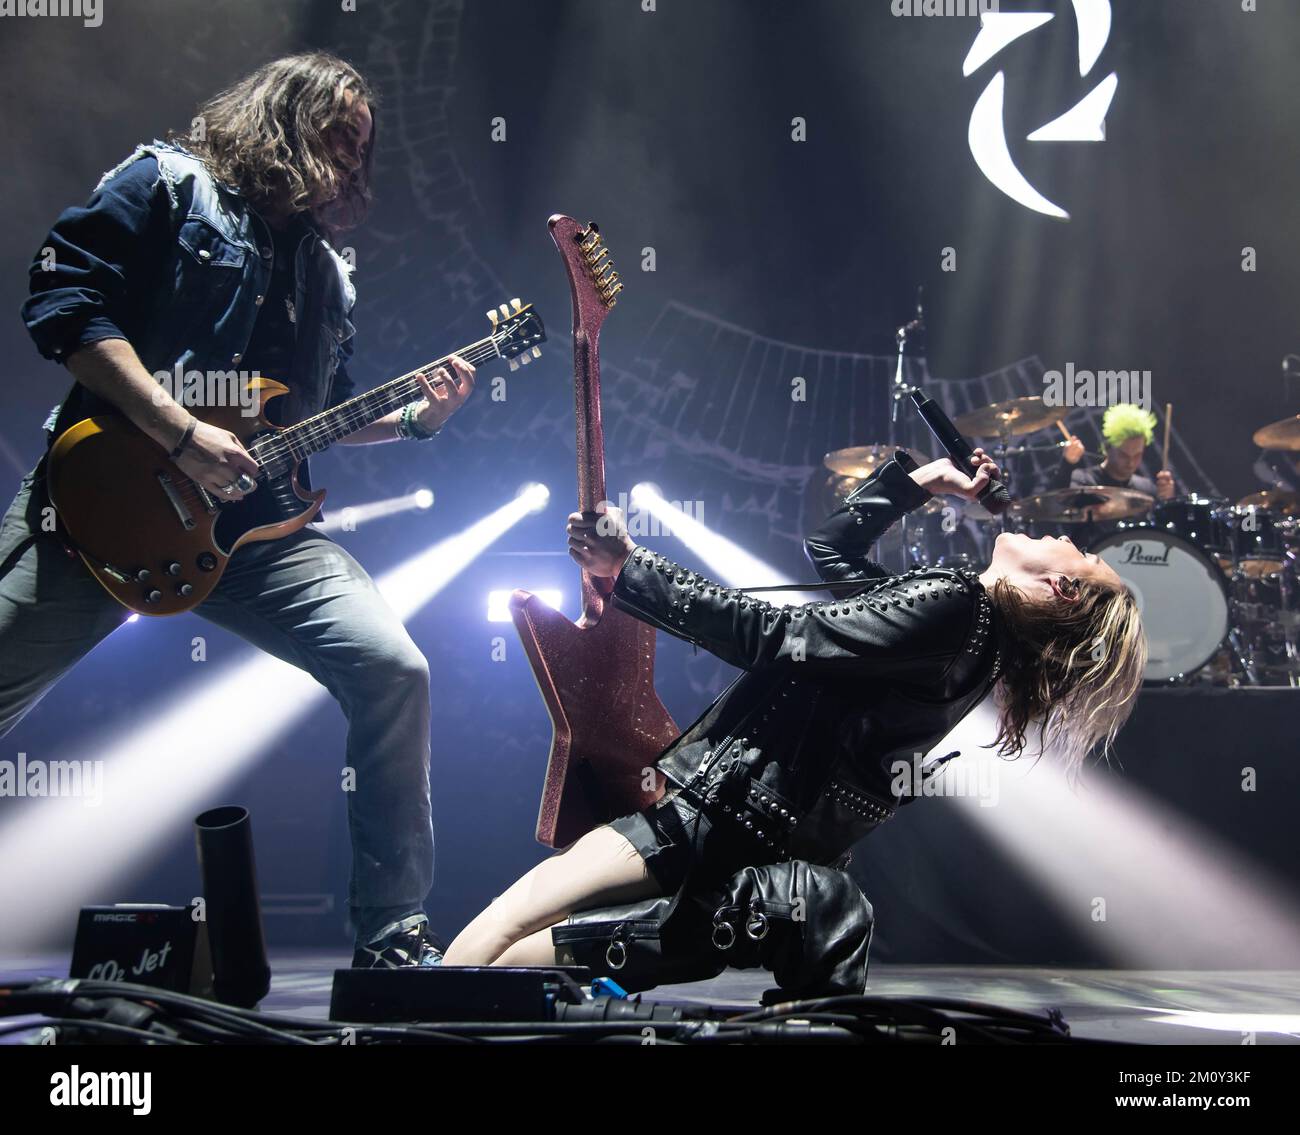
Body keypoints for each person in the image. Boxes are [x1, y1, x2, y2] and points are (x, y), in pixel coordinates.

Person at [1, 52, 475, 968]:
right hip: (108, 500)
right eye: (337, 133)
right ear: (282, 116)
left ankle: (390, 933)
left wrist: (418, 419)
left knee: (394, 669)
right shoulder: (168, 186)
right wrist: (179, 432)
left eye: (360, 145)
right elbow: (61, 301)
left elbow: (315, 415)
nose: (348, 157)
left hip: (254, 534)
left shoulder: (325, 274)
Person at [442, 447, 1147, 983]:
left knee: (506, 920)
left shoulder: (960, 608)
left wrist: (630, 567)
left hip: (719, 810)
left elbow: (781, 639)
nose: (1067, 541)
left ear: (1060, 587)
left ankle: (407, 1020)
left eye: (1082, 556)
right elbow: (831, 552)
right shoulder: (973, 640)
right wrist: (920, 483)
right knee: (524, 955)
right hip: (758, 826)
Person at [1042, 403, 1180, 549]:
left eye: (1137, 455)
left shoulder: (1147, 488)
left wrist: (1168, 501)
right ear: (1107, 448)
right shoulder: (1082, 480)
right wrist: (1067, 464)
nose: (1131, 462)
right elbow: (1052, 506)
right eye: (1123, 455)